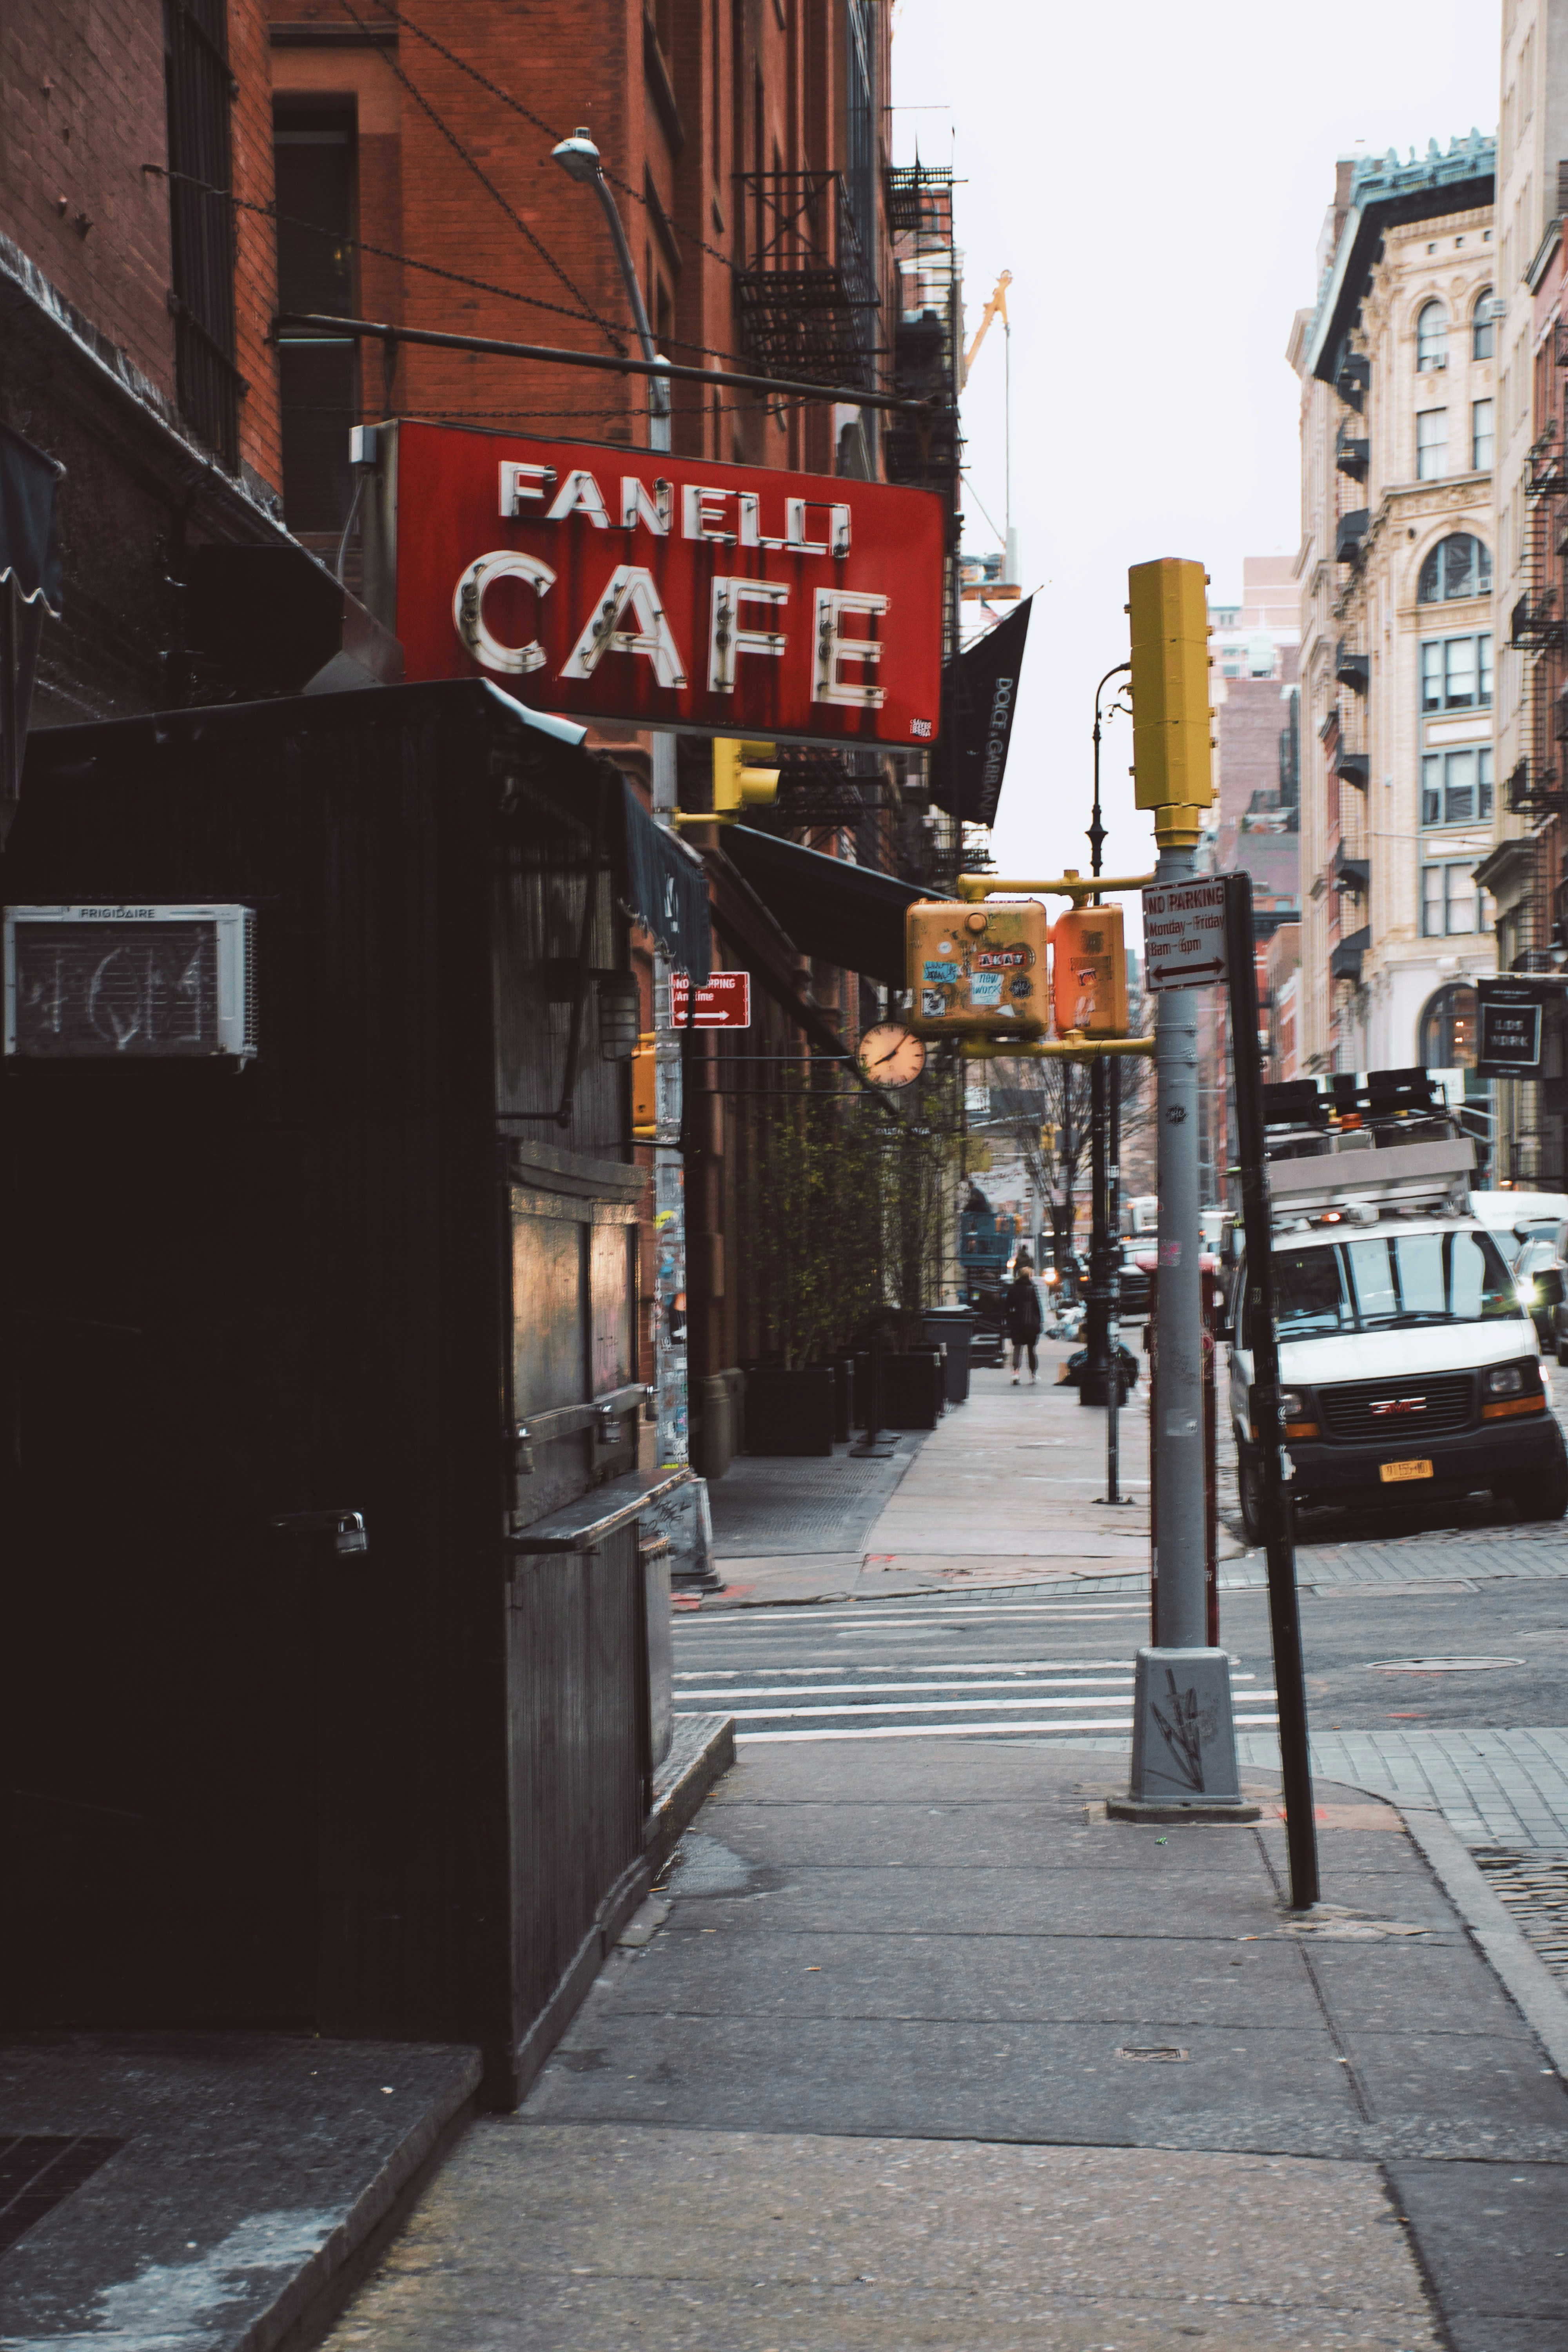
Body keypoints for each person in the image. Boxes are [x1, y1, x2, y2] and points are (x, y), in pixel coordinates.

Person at [1004, 1254, 1043, 1383]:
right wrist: (1040, 1321)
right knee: (1031, 1349)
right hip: (1031, 1323)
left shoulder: (1013, 1289)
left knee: (1017, 1348)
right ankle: (1033, 1374)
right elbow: (1037, 1307)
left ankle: (1016, 1373)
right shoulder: (1032, 1289)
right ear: (1029, 1276)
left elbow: (1007, 1307)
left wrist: (1009, 1320)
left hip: (1017, 1323)